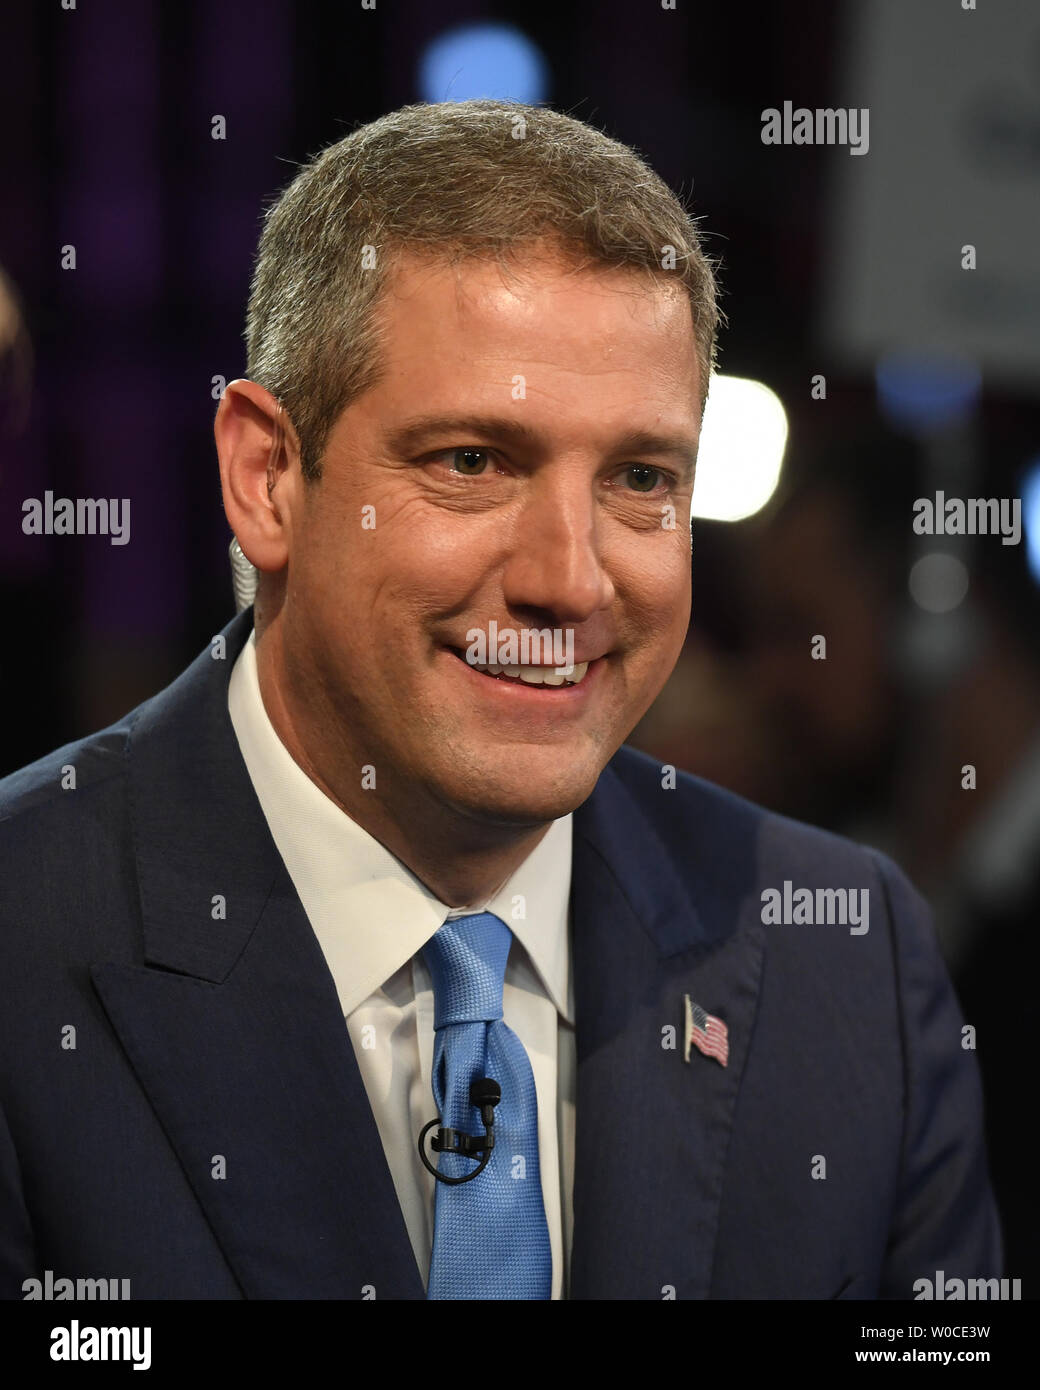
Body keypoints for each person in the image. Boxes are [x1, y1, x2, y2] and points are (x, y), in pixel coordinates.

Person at [0, 100, 1001, 1300]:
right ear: (267, 477)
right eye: (471, 462)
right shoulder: (25, 936)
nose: (567, 580)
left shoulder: (845, 963)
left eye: (639, 478)